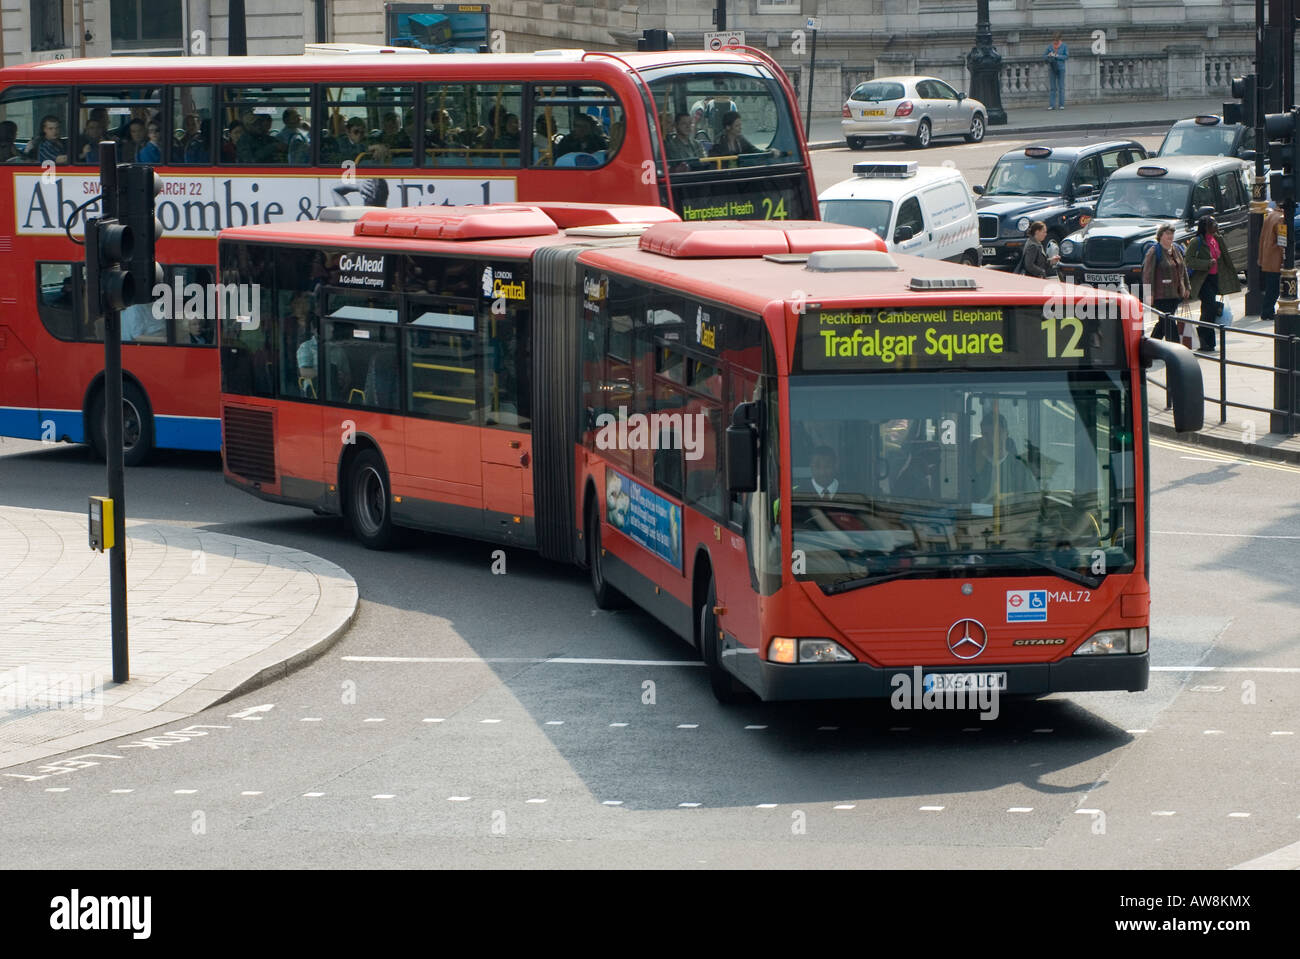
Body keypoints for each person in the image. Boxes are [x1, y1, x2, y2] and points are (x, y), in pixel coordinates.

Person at [1184, 213, 1238, 352]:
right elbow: (1189, 261)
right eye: (1213, 224)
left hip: (1214, 278)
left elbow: (1223, 258)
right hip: (1203, 280)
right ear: (1205, 226)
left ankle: (1208, 342)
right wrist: (1207, 263)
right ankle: (1204, 339)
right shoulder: (1197, 241)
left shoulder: (1216, 239)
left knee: (1210, 310)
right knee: (1209, 308)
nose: (1216, 226)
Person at [1141, 223, 1191, 342]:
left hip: (1174, 294)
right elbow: (1148, 275)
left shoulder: (1176, 249)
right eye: (1167, 233)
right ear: (1160, 235)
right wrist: (1149, 294)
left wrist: (1187, 287)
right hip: (1161, 295)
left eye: (1172, 233)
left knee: (1163, 323)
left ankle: (1150, 346)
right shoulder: (1154, 251)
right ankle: (1176, 347)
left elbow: (1183, 269)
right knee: (1168, 321)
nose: (1170, 236)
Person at [970, 412, 1036, 501]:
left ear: (1006, 433)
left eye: (996, 433)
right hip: (976, 514)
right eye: (986, 434)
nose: (991, 439)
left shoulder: (1020, 467)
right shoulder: (973, 465)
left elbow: (1031, 500)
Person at [1258, 201, 1284, 323]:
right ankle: (1267, 311)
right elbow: (1282, 240)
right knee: (1274, 288)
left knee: (1271, 287)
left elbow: (1262, 237)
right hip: (1275, 258)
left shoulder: (1271, 215)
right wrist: (1285, 258)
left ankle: (1267, 311)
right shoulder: (1281, 218)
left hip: (1267, 257)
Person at [1044, 31, 1068, 111]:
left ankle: (1061, 104)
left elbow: (1066, 56)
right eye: (1054, 40)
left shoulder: (1064, 46)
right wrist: (1048, 55)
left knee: (1061, 87)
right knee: (1052, 87)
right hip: (1052, 68)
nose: (1055, 42)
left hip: (1061, 68)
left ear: (1060, 39)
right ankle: (1052, 105)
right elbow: (1044, 56)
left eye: (1057, 40)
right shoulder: (1050, 46)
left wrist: (1057, 56)